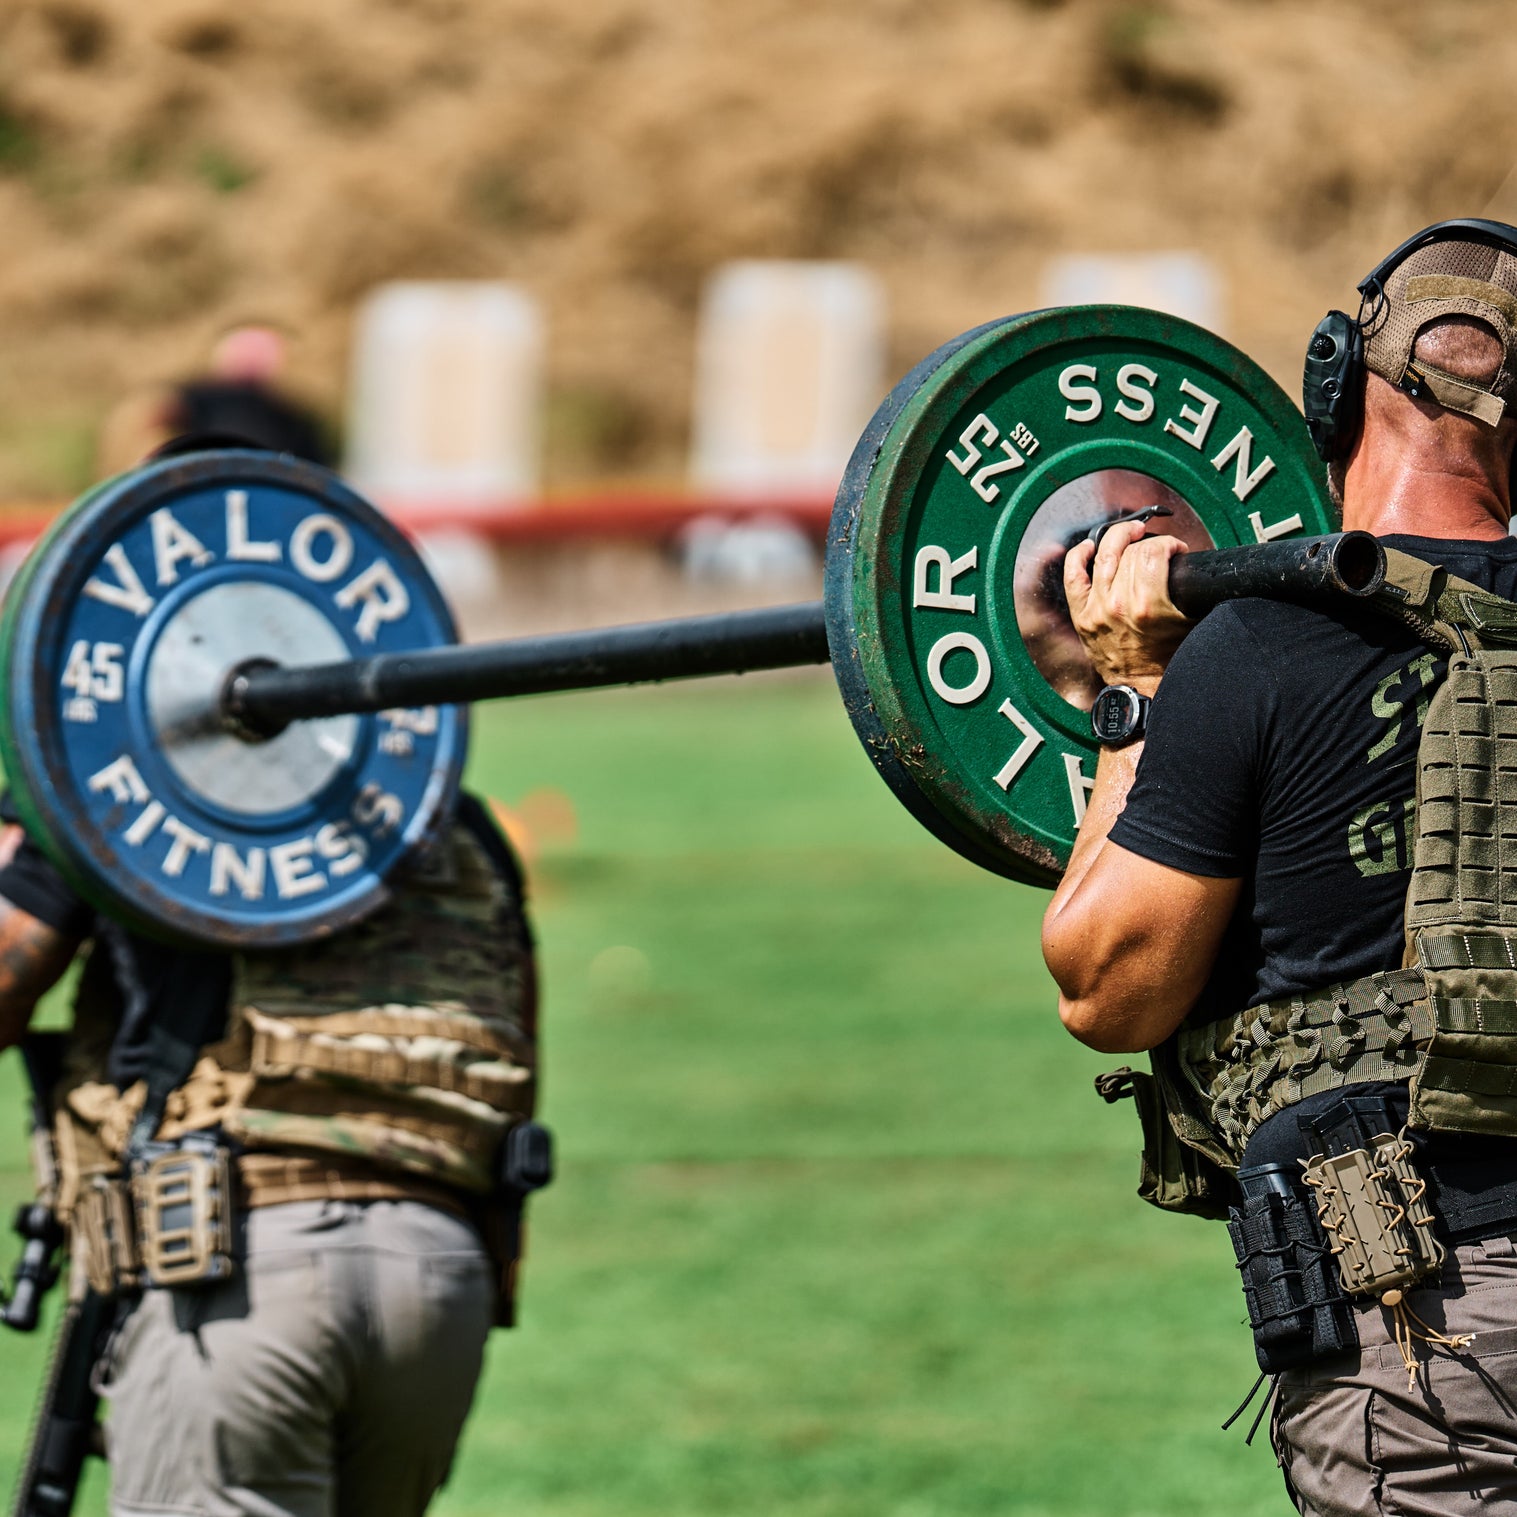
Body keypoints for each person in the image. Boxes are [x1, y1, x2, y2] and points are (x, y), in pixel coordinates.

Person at [1042, 221, 1517, 1516]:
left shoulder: (1253, 649)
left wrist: (1133, 684)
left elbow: (1109, 986)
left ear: (1328, 383)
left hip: (1425, 1328)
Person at [0, 445, 544, 1517]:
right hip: (440, 1276)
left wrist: (27, 821)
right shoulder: (452, 816)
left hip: (235, 1264)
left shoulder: (112, 796)